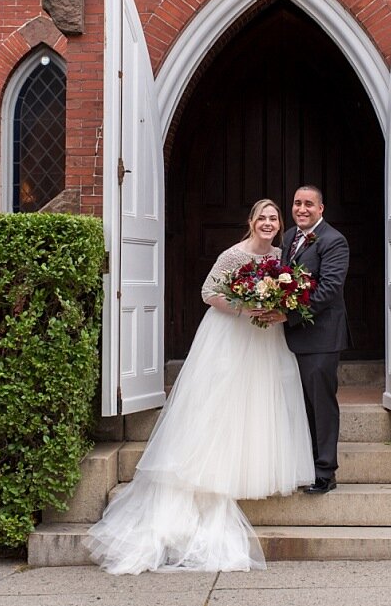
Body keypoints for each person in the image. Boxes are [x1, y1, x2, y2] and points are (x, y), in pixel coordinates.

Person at [86, 199, 314, 574]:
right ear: (251, 222)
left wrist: (274, 306)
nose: (269, 223)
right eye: (263, 218)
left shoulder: (281, 257)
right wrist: (244, 308)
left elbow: (288, 293)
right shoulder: (232, 255)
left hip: (265, 339)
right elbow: (209, 292)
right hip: (229, 336)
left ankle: (253, 467)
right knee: (221, 402)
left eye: (274, 218)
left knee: (261, 401)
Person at [263, 185, 351, 495]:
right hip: (294, 337)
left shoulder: (334, 241)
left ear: (321, 209)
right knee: (301, 406)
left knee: (321, 405)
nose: (302, 208)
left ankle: (325, 472)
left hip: (322, 337)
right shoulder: (289, 239)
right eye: (297, 203)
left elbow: (328, 290)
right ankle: (306, 465)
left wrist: (289, 316)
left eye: (309, 204)